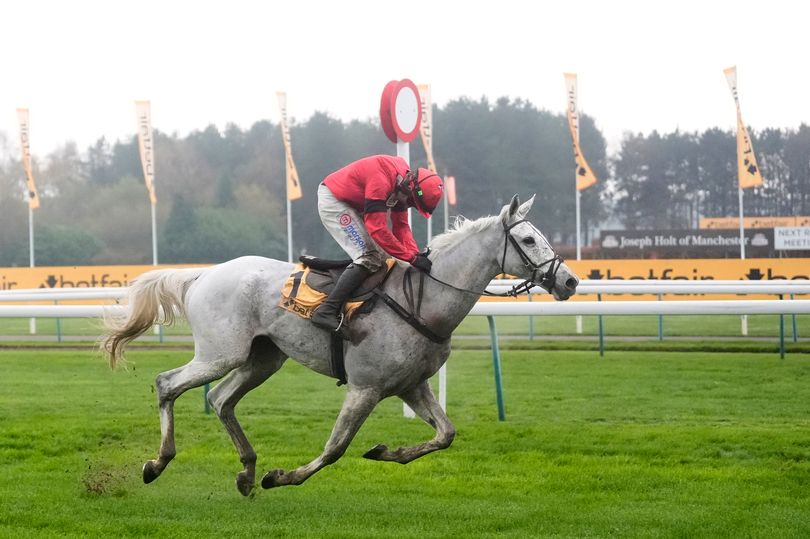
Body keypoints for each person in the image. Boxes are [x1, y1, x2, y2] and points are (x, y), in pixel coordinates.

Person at [311, 154, 444, 333]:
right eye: (412, 203)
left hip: (353, 203)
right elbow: (377, 229)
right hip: (334, 200)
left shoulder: (404, 183)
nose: (409, 206)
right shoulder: (381, 180)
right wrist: (411, 258)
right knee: (370, 256)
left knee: (386, 257)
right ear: (411, 189)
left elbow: (401, 227)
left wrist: (415, 254)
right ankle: (327, 311)